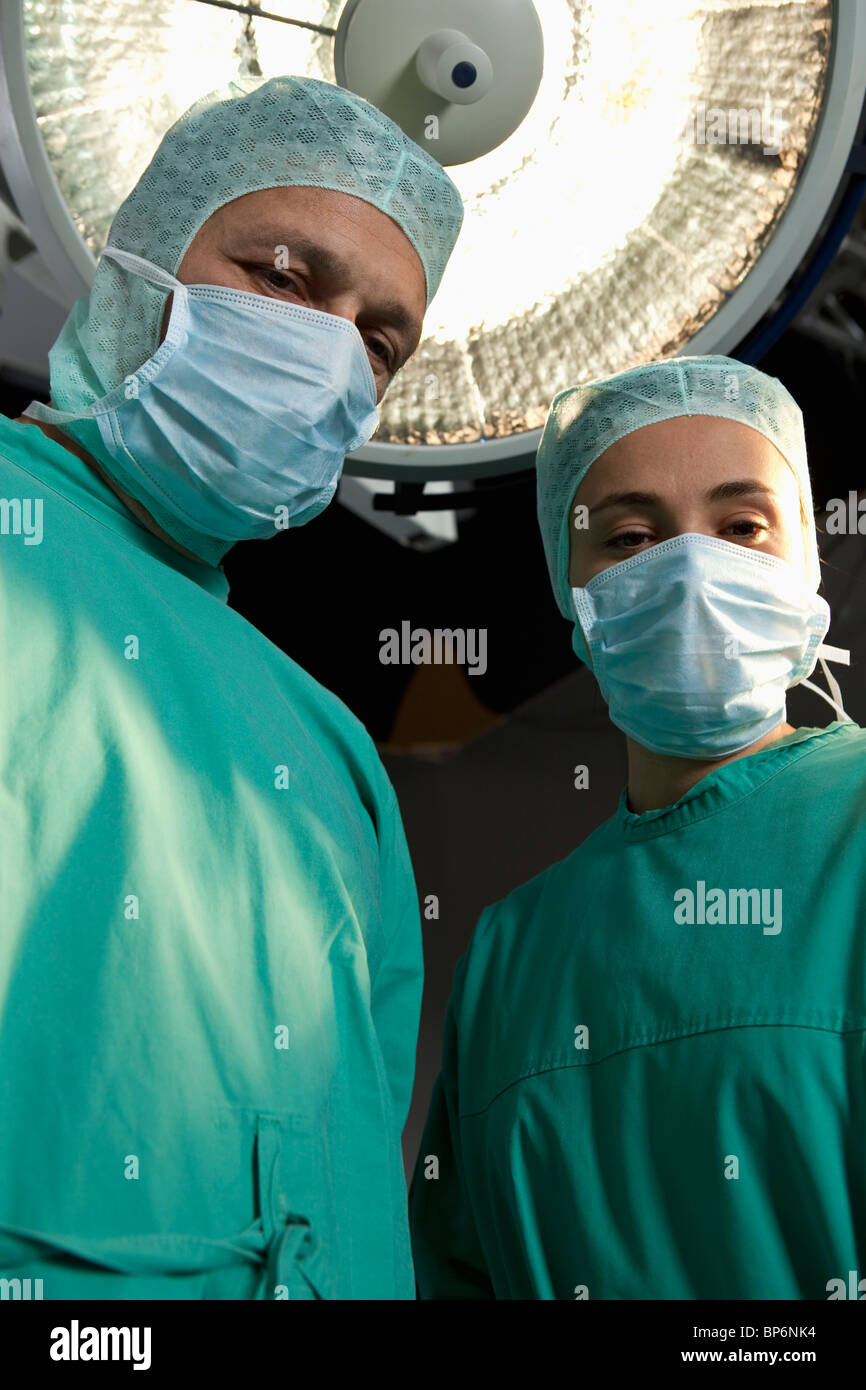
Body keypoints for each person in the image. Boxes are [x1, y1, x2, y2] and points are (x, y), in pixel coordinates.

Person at [0, 73, 463, 1300]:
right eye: (284, 276)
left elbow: (350, 1176)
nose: (325, 355)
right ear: (141, 263)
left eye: (376, 341)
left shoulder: (328, 747)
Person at [409, 355, 866, 1300]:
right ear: (569, 590)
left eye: (742, 526)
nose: (691, 567)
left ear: (807, 563)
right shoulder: (510, 950)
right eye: (628, 537)